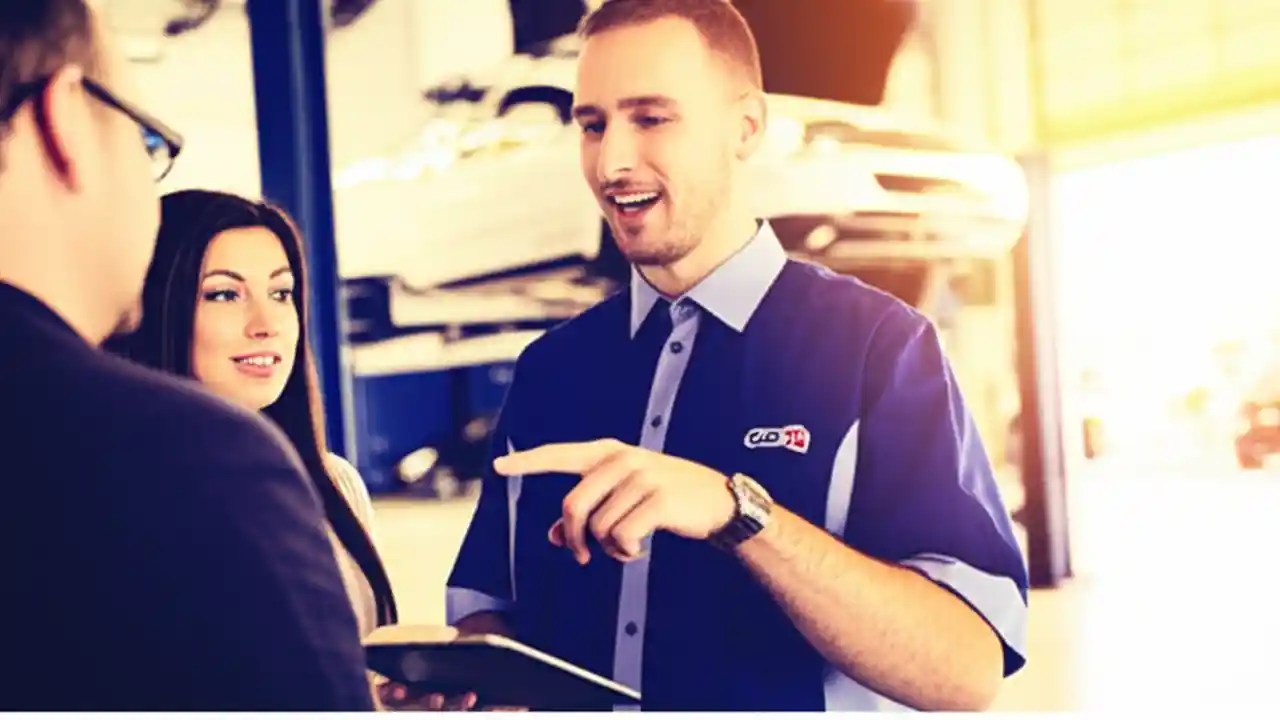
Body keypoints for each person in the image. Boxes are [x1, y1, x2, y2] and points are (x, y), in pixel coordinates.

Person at [440, 0, 1029, 712]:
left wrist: (737, 514)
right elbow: (490, 609)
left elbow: (964, 673)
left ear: (746, 127)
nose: (612, 161)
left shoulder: (879, 348)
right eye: (592, 125)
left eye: (652, 118)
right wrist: (474, 682)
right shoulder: (548, 371)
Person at [0, 1, 373, 710]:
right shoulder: (195, 459)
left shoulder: (326, 483)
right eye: (146, 146)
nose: (267, 324)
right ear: (66, 121)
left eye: (283, 292)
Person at [108, 189, 399, 639]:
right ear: (157, 305)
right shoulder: (112, 501)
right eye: (224, 294)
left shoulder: (336, 484)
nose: (266, 323)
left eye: (282, 292)